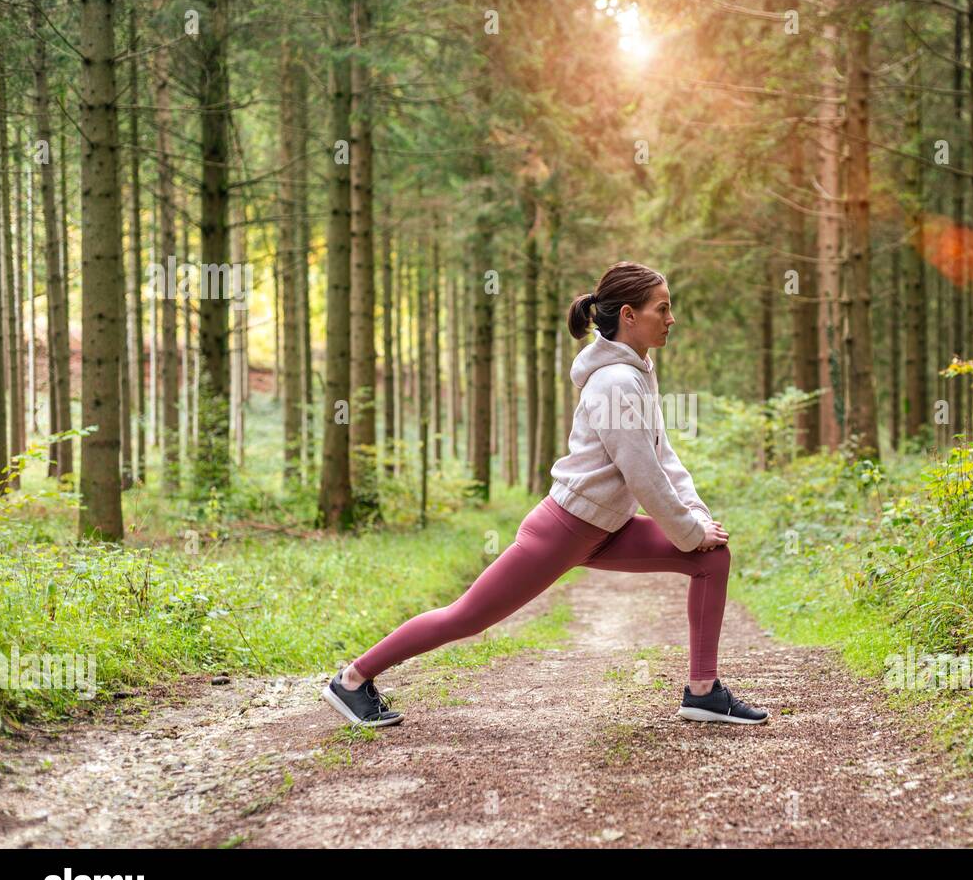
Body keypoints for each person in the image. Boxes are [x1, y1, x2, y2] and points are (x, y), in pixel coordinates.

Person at [322, 260, 768, 727]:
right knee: (467, 617)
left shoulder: (637, 372)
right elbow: (642, 475)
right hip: (563, 529)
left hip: (606, 529)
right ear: (630, 316)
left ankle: (702, 691)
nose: (671, 318)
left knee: (711, 558)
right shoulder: (615, 382)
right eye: (663, 308)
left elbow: (662, 454)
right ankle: (352, 679)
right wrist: (687, 529)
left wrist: (696, 519)